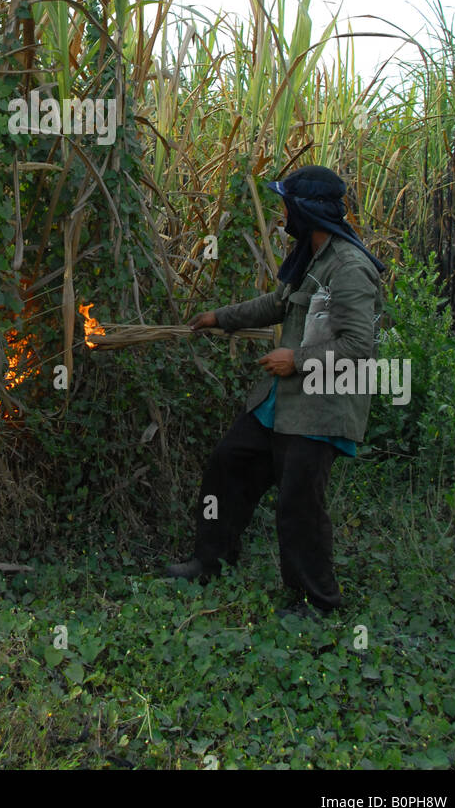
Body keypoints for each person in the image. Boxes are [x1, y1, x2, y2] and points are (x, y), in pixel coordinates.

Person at [164, 165, 385, 620]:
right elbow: (276, 305)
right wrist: (218, 317)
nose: (282, 213)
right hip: (279, 403)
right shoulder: (311, 256)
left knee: (298, 503)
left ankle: (318, 603)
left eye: (287, 204)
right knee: (229, 464)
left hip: (319, 408)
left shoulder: (350, 267)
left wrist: (296, 360)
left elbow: (360, 347)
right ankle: (211, 561)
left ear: (306, 210)